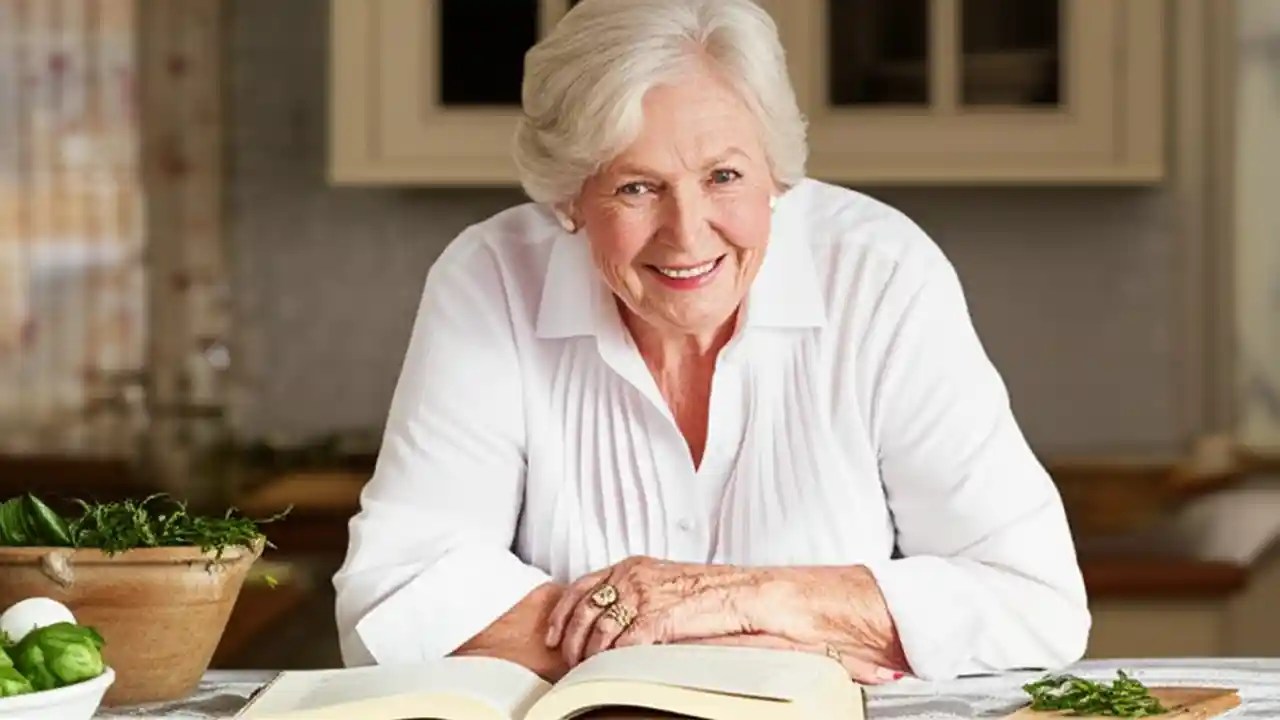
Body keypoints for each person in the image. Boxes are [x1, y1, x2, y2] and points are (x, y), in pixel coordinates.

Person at [333, 0, 1089, 684]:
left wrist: (736, 599)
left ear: (776, 174)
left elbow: (1035, 601)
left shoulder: (880, 275)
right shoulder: (491, 280)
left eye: (723, 175)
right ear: (569, 195)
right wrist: (773, 645)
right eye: (636, 187)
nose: (688, 234)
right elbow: (393, 596)